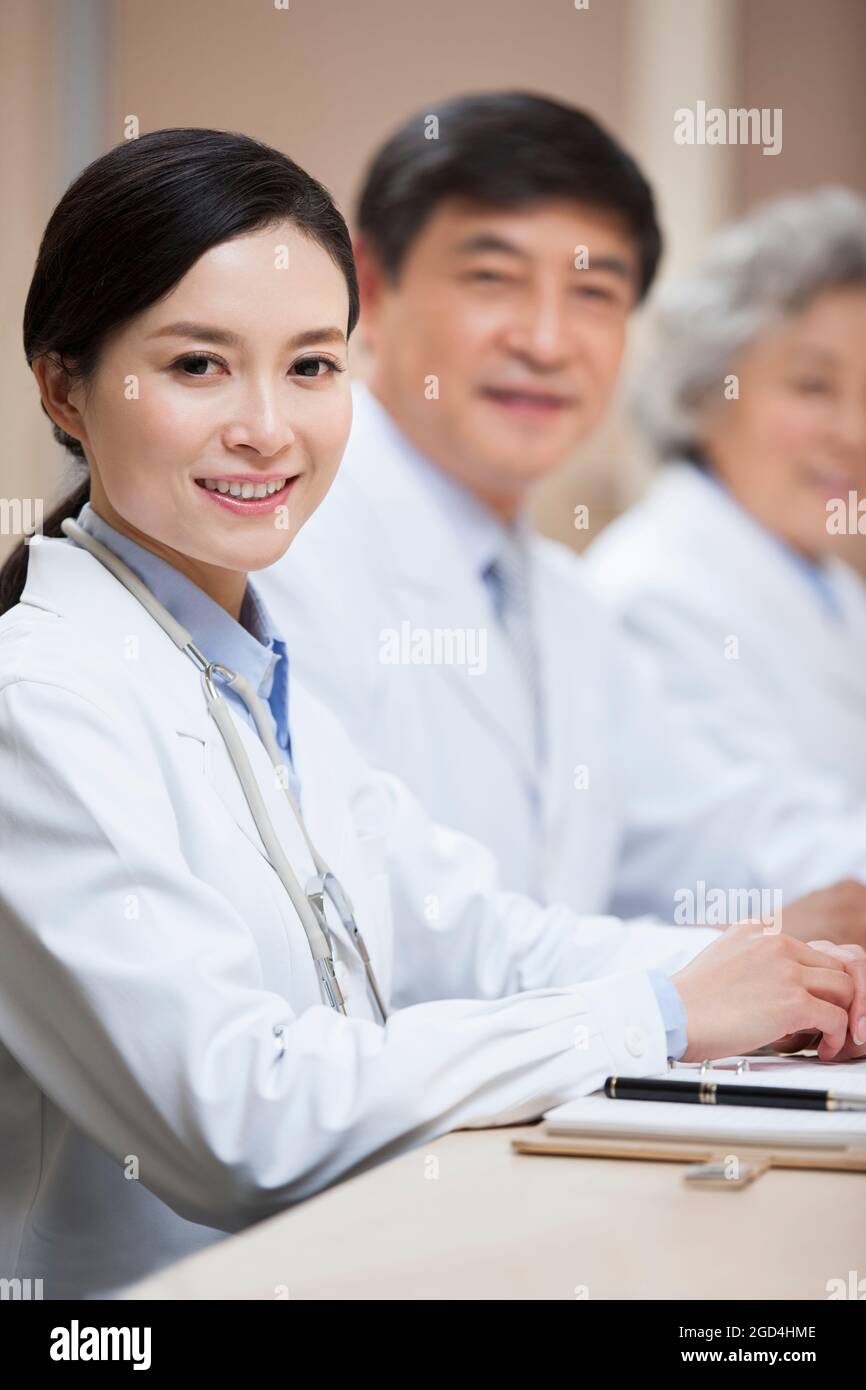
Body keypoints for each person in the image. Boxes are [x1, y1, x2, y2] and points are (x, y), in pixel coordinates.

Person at [5, 129, 860, 1301]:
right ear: (63, 383)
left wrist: (788, 978)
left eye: (310, 367)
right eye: (199, 365)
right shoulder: (40, 698)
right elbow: (240, 1113)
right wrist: (658, 1011)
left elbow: (475, 936)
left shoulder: (239, 664)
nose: (267, 426)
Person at [254, 93, 866, 936]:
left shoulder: (563, 600)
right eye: (493, 278)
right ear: (371, 288)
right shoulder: (273, 543)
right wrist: (679, 979)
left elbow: (714, 838)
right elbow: (368, 917)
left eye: (593, 292)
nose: (545, 341)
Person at [586, 187, 866, 806]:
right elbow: (769, 850)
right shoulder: (654, 593)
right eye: (813, 386)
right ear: (707, 390)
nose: (852, 432)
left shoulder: (830, 584)